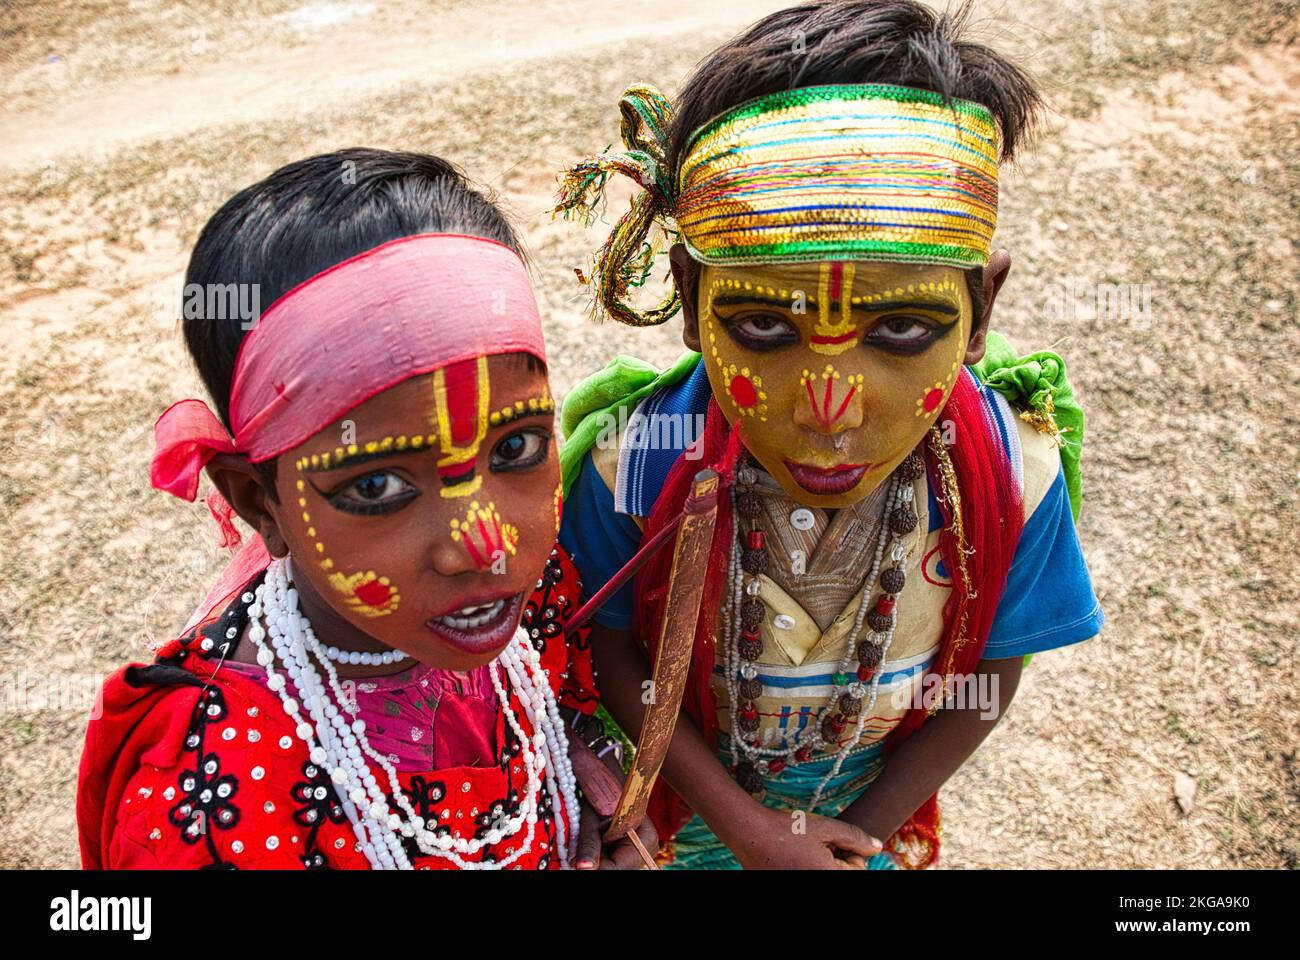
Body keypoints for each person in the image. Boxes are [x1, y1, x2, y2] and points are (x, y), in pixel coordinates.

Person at [554, 0, 1103, 868]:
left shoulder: (1012, 474)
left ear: (982, 306)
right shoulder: (638, 458)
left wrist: (866, 833)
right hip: (672, 826)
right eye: (766, 328)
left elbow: (994, 666)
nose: (829, 406)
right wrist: (747, 827)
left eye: (902, 331)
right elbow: (613, 649)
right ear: (692, 303)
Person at [77, 148, 654, 869]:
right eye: (378, 487)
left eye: (513, 450)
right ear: (261, 502)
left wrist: (584, 788)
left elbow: (548, 713)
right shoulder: (208, 803)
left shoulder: (512, 608)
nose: (483, 545)